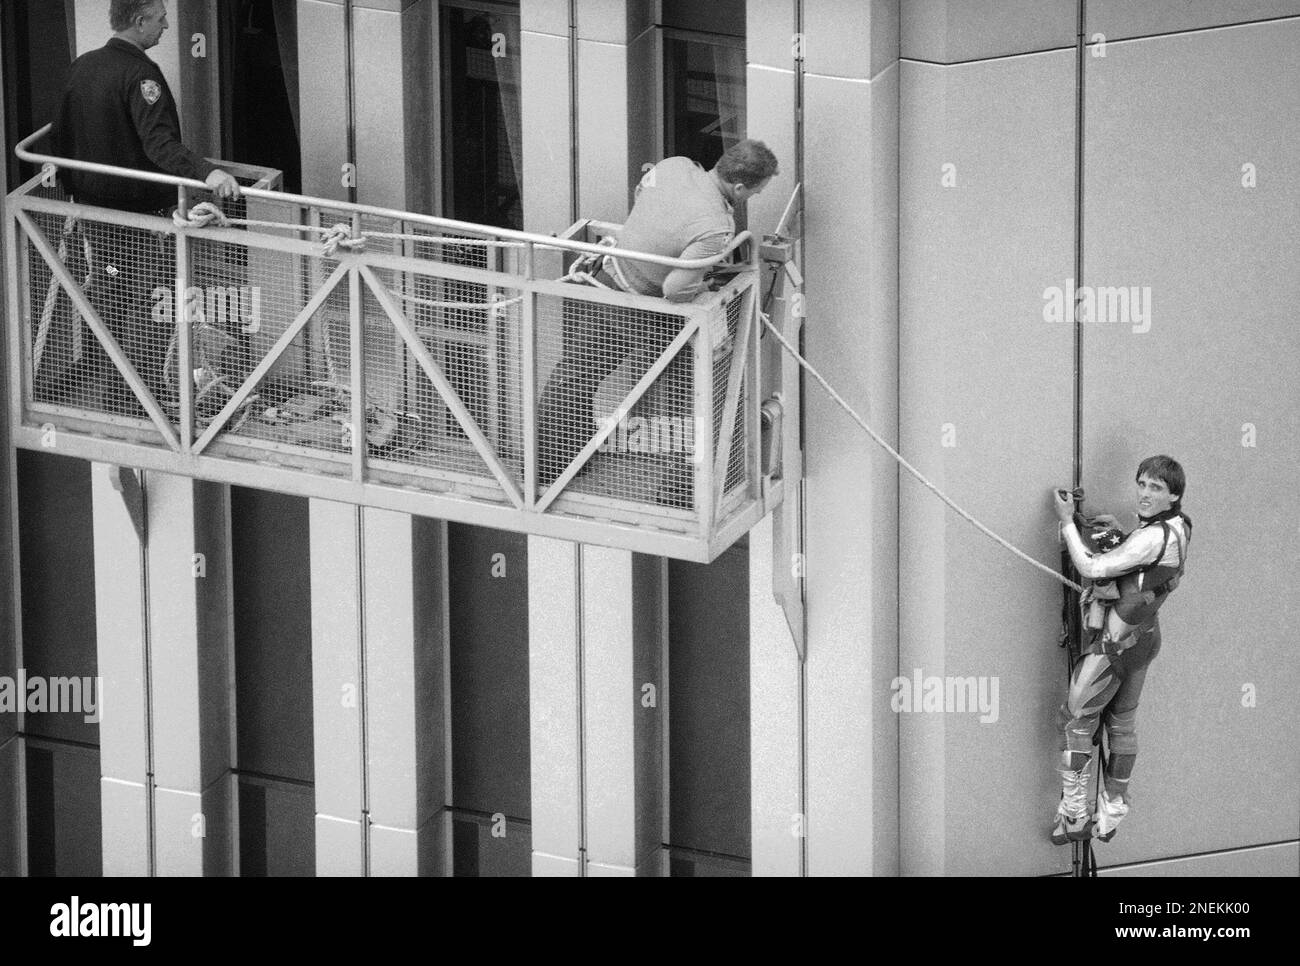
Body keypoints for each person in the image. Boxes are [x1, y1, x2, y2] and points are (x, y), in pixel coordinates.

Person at [536, 140, 779, 495]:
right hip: (640, 309)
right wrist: (704, 280)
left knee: (574, 376)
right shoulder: (715, 228)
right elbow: (675, 290)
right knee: (701, 390)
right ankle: (682, 489)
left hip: (607, 279)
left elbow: (642, 192)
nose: (753, 196)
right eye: (756, 191)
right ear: (739, 187)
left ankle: (550, 464)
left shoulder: (674, 165)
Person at [47, 0, 240, 416]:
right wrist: (208, 174)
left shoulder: (82, 66)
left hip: (95, 215)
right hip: (137, 217)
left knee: (110, 302)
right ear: (138, 22)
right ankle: (140, 400)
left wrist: (73, 192)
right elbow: (160, 145)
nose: (167, 26)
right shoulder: (140, 75)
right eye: (160, 18)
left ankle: (121, 399)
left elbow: (60, 136)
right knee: (148, 307)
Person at [1050, 455, 1192, 845]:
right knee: (1122, 725)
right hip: (1145, 641)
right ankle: (1111, 813)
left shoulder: (1150, 536)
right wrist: (1126, 535)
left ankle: (1075, 815)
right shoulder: (1179, 526)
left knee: (1075, 721)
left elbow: (1093, 568)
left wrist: (1066, 523)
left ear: (1173, 494)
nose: (1145, 493)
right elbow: (1153, 562)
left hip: (1114, 646)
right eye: (1142, 483)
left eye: (1156, 488)